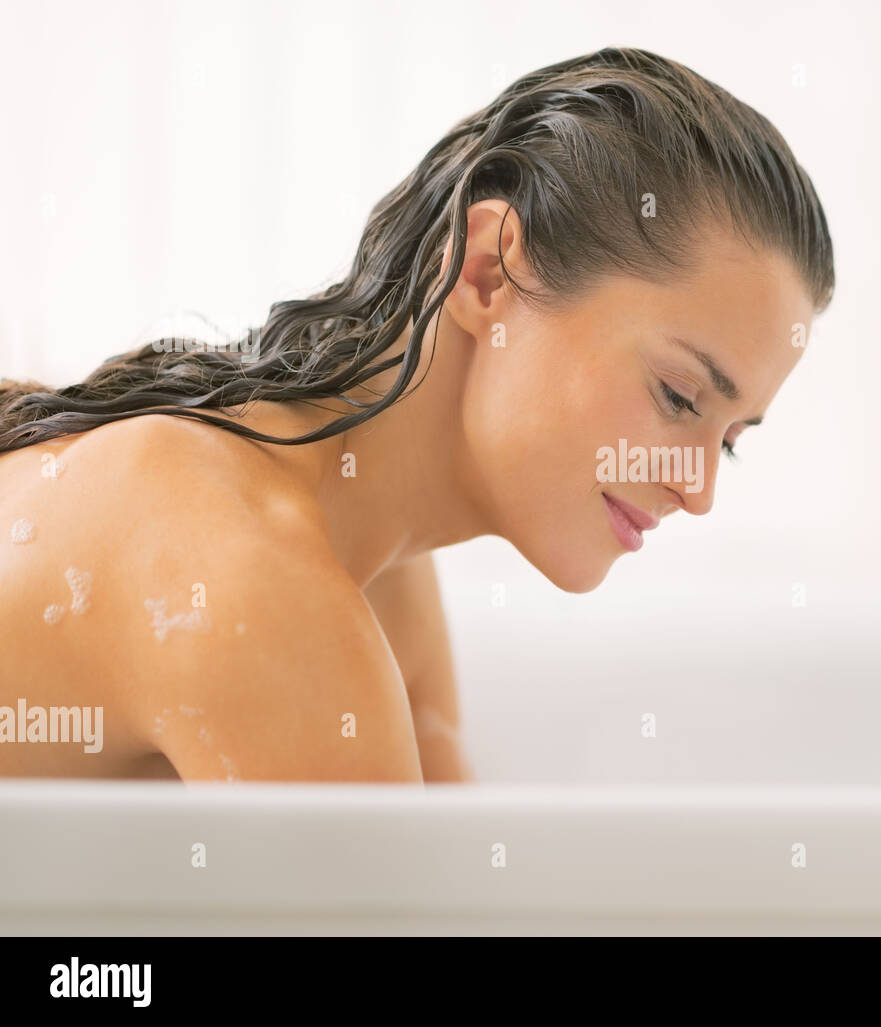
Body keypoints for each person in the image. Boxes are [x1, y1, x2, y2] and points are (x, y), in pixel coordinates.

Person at [0, 46, 835, 784]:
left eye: (726, 444)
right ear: (487, 275)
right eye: (678, 396)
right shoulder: (253, 571)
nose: (697, 492)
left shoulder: (379, 574)